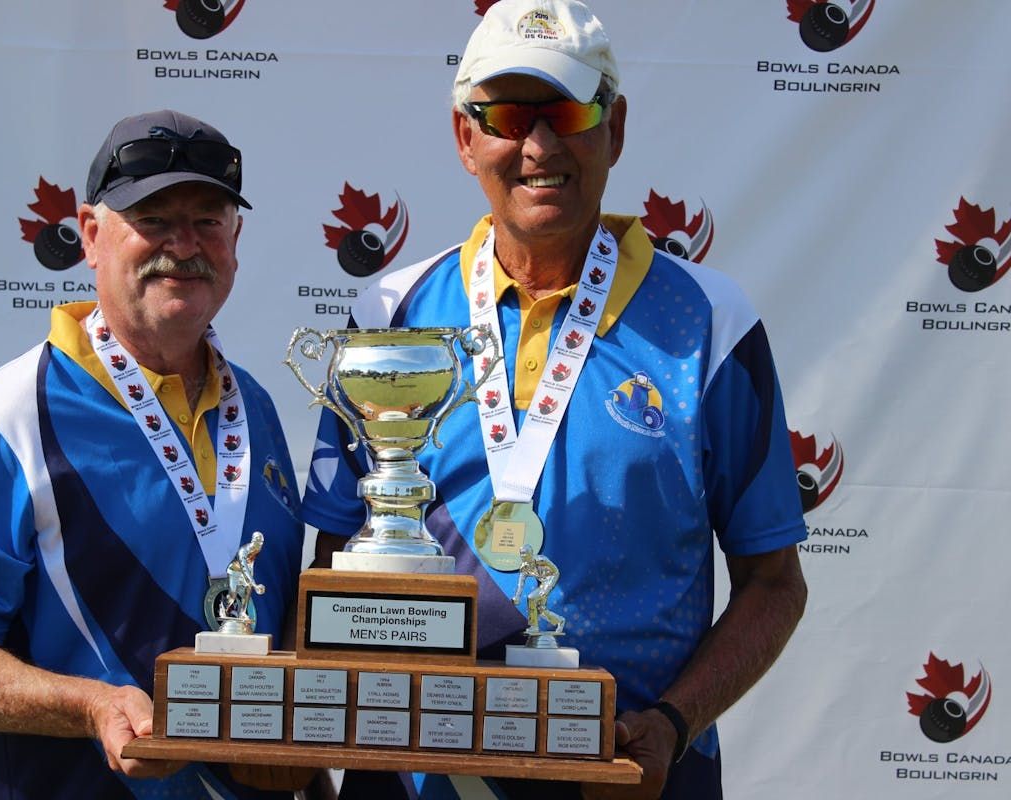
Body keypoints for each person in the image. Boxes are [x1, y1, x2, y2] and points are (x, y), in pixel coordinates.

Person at [301, 2, 808, 798]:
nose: (539, 146)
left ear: (615, 128)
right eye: (507, 117)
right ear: (466, 138)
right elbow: (335, 567)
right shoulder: (390, 318)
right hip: (419, 777)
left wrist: (674, 723)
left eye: (567, 113)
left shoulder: (711, 323)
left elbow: (774, 583)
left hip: (625, 777)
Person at [0, 110, 305, 799]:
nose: (183, 245)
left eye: (207, 220)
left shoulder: (252, 407)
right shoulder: (2, 421)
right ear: (89, 235)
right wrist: (91, 706)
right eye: (153, 218)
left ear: (235, 239)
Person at [512, 544, 563, 637]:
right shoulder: (524, 567)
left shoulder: (542, 560)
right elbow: (521, 583)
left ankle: (534, 626)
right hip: (543, 583)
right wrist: (517, 597)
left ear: (531, 553)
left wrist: (547, 588)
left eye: (524, 553)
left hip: (550, 580)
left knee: (531, 598)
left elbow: (556, 572)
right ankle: (560, 620)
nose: (522, 555)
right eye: (521, 553)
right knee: (540, 610)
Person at [218, 531, 267, 628]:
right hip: (234, 571)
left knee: (248, 589)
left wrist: (252, 584)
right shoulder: (243, 551)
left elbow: (251, 565)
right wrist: (255, 584)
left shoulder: (257, 549)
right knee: (232, 595)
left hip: (244, 572)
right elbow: (244, 568)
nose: (260, 545)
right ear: (253, 541)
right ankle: (222, 607)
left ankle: (243, 612)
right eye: (258, 542)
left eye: (261, 543)